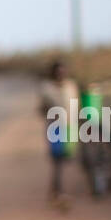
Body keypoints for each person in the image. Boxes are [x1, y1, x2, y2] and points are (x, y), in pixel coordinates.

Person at [38, 60, 79, 203]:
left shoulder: (71, 86)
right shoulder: (47, 88)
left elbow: (76, 105)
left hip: (70, 126)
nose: (61, 74)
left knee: (66, 158)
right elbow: (41, 109)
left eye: (63, 71)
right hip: (55, 127)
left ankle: (55, 189)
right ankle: (59, 191)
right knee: (58, 159)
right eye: (58, 72)